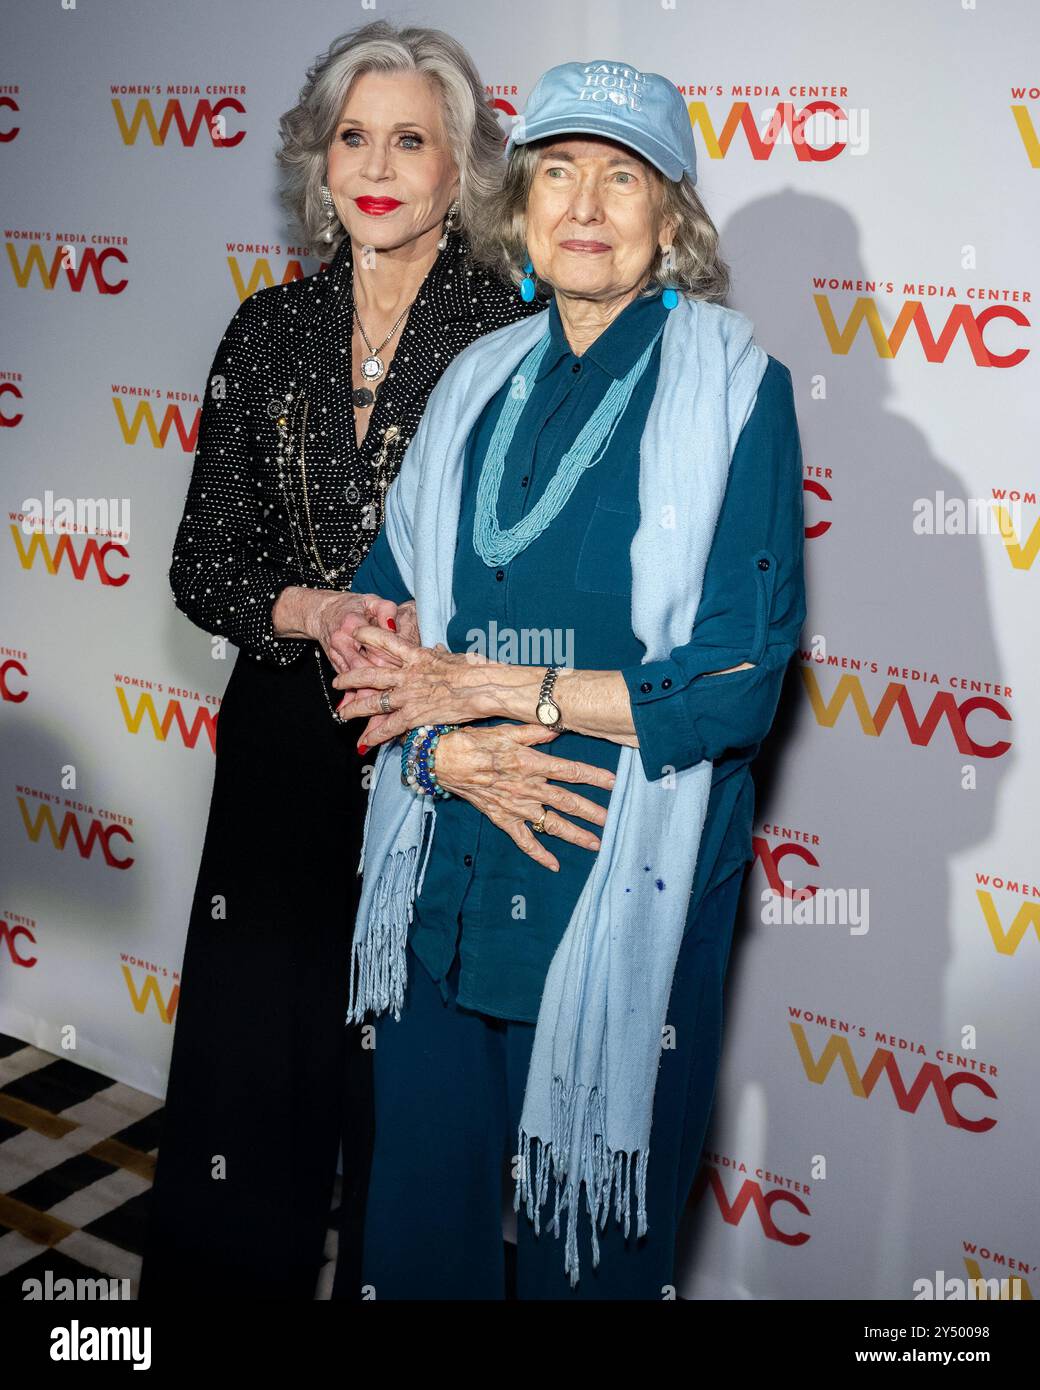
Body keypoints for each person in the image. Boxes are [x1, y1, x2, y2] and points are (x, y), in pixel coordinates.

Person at [332, 58, 808, 1300]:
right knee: (416, 1240)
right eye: (556, 172)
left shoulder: (731, 388)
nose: (583, 203)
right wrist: (437, 751)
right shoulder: (473, 380)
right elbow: (377, 622)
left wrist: (507, 696)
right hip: (446, 867)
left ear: (669, 218)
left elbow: (733, 683)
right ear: (521, 206)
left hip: (617, 889)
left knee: (592, 1259)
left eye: (620, 176)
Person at [139, 21, 545, 1300]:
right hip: (277, 759)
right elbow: (203, 562)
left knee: (408, 1105)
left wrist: (443, 651)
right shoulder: (266, 330)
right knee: (245, 1074)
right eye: (351, 137)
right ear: (317, 163)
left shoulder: (512, 337)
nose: (376, 165)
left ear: (460, 168)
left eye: (409, 139)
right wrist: (313, 608)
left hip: (431, 759)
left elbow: (538, 574)